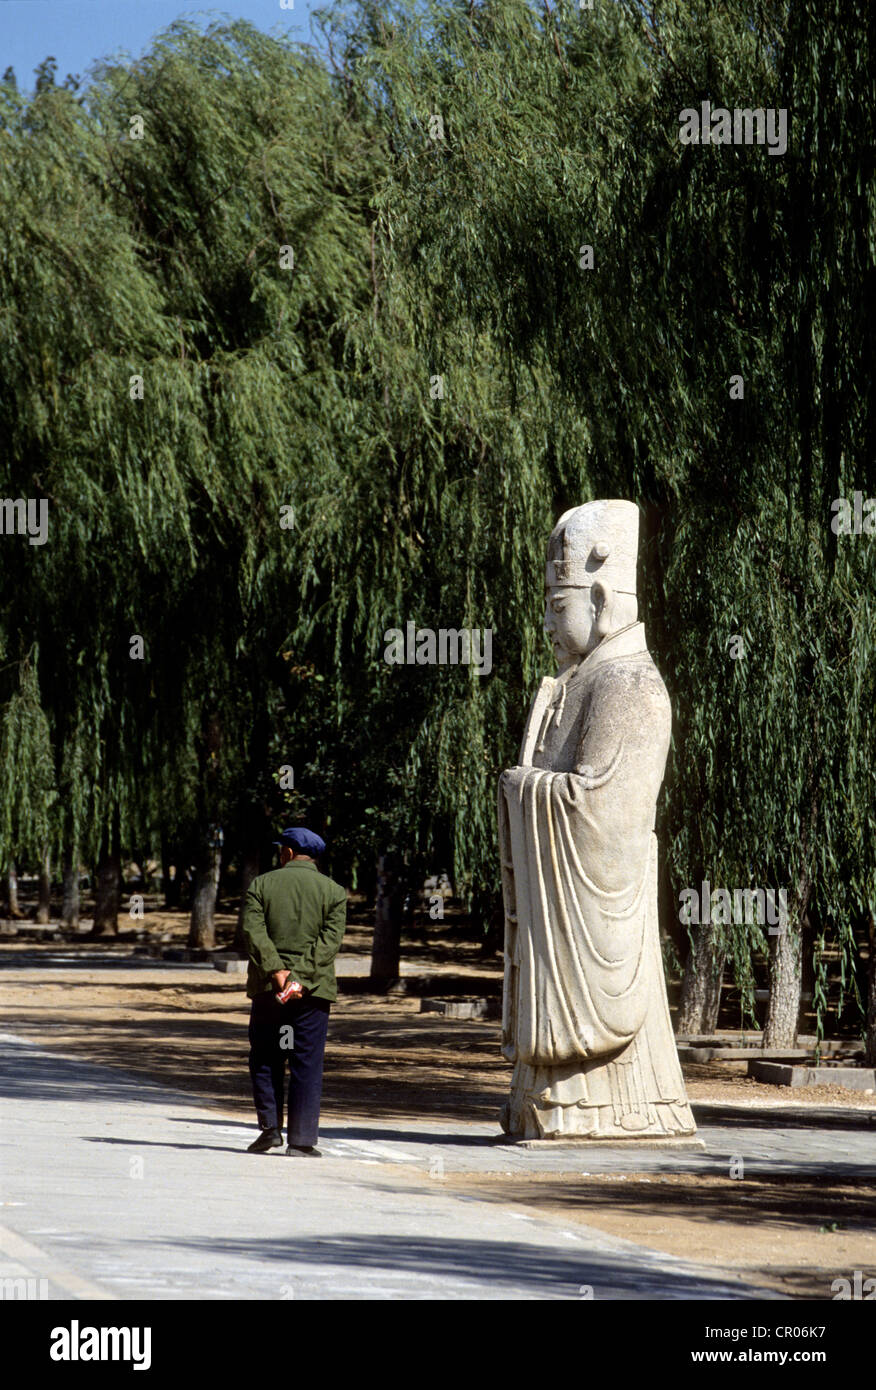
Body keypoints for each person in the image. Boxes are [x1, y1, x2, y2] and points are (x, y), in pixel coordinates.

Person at [241, 827, 347, 1157]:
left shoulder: (261, 884)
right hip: (313, 991)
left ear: (287, 853)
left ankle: (270, 1130)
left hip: (269, 989)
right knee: (306, 1062)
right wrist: (299, 978)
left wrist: (277, 972)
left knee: (266, 1057)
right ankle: (301, 1141)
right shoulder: (334, 891)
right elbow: (329, 942)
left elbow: (253, 931)